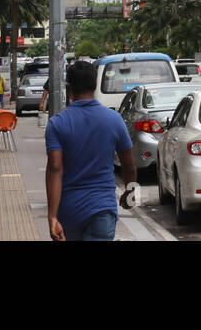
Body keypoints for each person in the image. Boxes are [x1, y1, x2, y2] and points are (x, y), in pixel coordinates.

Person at [44, 59, 137, 242]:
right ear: (95, 86)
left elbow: (55, 169)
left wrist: (52, 216)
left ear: (70, 87)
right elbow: (129, 165)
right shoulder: (114, 120)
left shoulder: (57, 123)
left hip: (69, 209)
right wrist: (129, 193)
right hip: (102, 208)